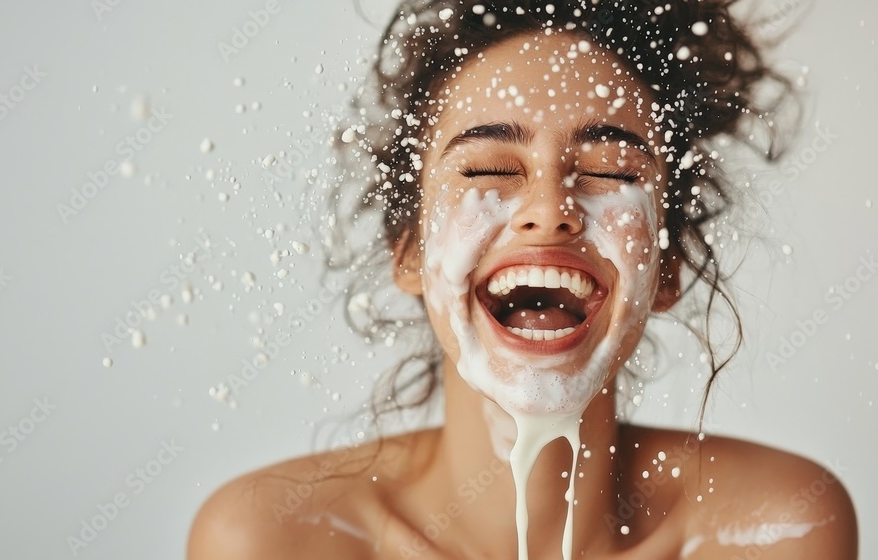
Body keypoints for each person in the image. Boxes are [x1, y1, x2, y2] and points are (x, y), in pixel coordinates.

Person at [188, 1, 858, 558]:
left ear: (666, 266)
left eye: (613, 173)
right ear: (411, 253)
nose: (550, 211)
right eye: (487, 172)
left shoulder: (775, 530)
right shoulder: (272, 539)